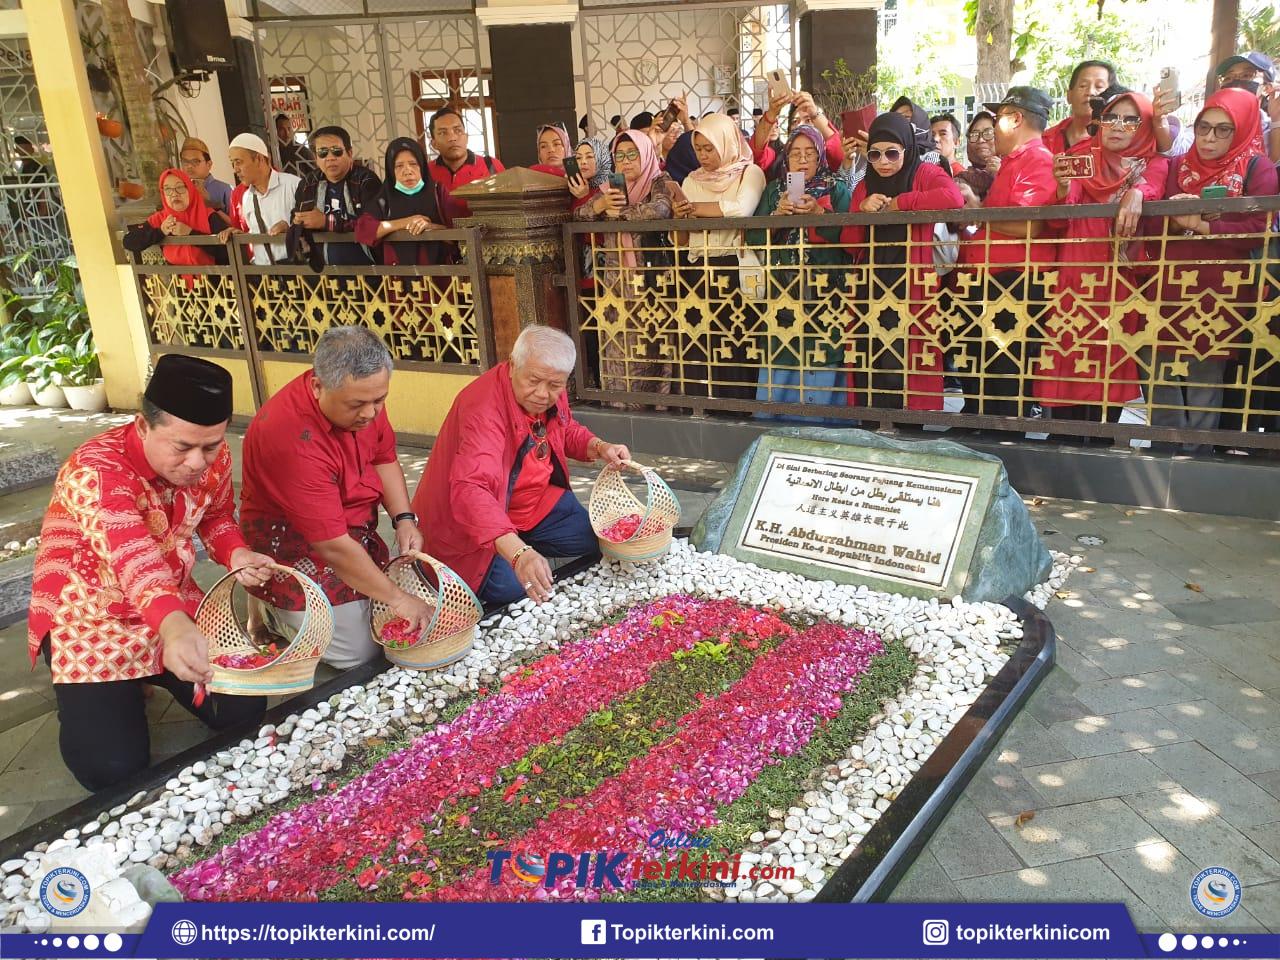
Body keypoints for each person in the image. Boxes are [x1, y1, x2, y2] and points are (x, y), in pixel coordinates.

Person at [27, 355, 274, 790]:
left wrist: (236, 555)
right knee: (112, 770)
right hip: (92, 618)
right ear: (143, 427)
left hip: (174, 605)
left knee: (242, 710)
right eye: (183, 447)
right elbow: (133, 559)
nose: (199, 462)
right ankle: (106, 691)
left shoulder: (211, 459)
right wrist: (177, 630)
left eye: (212, 445)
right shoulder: (97, 470)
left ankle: (145, 676)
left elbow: (216, 516)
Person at [239, 326, 434, 669]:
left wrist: (404, 518)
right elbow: (330, 545)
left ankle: (285, 607)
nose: (371, 414)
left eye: (380, 401)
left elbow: (384, 456)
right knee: (358, 654)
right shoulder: (291, 438)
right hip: (293, 541)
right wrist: (399, 599)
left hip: (349, 530)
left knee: (391, 618)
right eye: (358, 404)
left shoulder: (364, 395)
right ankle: (270, 608)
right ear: (318, 386)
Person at [410, 325, 630, 607]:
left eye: (554, 385)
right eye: (534, 381)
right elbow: (471, 489)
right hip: (472, 523)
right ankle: (517, 546)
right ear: (513, 366)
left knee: (595, 540)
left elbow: (565, 429)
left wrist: (602, 448)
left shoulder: (550, 387)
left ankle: (522, 543)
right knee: (514, 590)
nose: (542, 394)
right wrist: (517, 553)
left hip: (534, 503)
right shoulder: (483, 408)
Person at [1151, 87, 1277, 452]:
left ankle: (1197, 455)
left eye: (1224, 130)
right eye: (1204, 127)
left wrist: (1206, 226)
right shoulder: (1177, 165)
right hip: (1170, 284)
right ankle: (1164, 449)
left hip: (1223, 287)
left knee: (1207, 370)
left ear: (1243, 129)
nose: (1209, 138)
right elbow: (1151, 224)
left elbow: (1261, 229)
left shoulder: (1257, 168)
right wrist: (1175, 220)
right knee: (1163, 367)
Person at [1034, 92, 1168, 423]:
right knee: (1069, 351)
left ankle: (1102, 436)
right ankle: (1062, 436)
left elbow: (1154, 185)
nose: (1118, 126)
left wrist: (1136, 192)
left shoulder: (1153, 163)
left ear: (1145, 125)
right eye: (1111, 117)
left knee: (1109, 354)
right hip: (1074, 274)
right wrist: (1063, 190)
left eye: (1130, 119)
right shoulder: (1080, 156)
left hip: (1119, 279)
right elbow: (1058, 218)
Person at [849, 112, 964, 412]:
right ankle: (873, 424)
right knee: (872, 354)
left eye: (892, 153)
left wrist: (902, 203)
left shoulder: (924, 174)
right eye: (874, 154)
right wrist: (861, 210)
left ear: (907, 150)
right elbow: (849, 241)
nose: (883, 161)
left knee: (906, 357)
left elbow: (953, 198)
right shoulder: (865, 184)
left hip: (912, 284)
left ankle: (906, 427)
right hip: (871, 286)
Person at [959, 87, 1059, 418]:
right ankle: (980, 421)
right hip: (997, 278)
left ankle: (998, 432)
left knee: (1004, 367)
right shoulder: (1016, 161)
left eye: (997, 118)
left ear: (1015, 119)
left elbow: (1030, 225)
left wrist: (978, 213)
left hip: (1014, 279)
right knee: (988, 360)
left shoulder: (1037, 158)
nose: (991, 130)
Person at [746, 124, 856, 418]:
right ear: (787, 158)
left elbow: (850, 237)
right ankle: (775, 425)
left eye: (809, 153)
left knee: (823, 350)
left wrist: (821, 214)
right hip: (782, 290)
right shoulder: (774, 191)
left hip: (826, 290)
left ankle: (822, 429)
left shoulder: (836, 188)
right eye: (795, 153)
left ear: (820, 156)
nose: (803, 159)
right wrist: (776, 217)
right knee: (782, 350)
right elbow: (754, 239)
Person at [574, 129, 685, 402]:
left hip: (650, 280)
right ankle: (620, 402)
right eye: (619, 155)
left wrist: (618, 213)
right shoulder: (609, 189)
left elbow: (659, 210)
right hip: (614, 281)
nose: (625, 161)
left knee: (651, 343)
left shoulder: (659, 180)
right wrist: (599, 204)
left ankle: (655, 404)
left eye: (632, 154)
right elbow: (578, 215)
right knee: (617, 344)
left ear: (645, 154)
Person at [674, 112, 768, 401]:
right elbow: (683, 234)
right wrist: (681, 215)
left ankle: (739, 407)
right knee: (703, 342)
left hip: (733, 269)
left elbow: (741, 209)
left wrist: (696, 209)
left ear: (726, 143)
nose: (703, 156)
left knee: (736, 341)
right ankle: (704, 405)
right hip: (698, 270)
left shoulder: (748, 172)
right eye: (698, 149)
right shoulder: (691, 179)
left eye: (709, 148)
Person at [289, 125, 381, 266]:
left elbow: (373, 225)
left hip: (368, 272)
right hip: (324, 275)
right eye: (323, 153)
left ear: (350, 153)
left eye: (337, 151)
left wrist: (327, 222)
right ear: (315, 158)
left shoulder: (366, 180)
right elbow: (296, 215)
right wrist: (296, 222)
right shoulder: (308, 182)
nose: (330, 158)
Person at [354, 137, 447, 266]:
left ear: (422, 165)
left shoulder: (438, 193)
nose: (407, 171)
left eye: (413, 164)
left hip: (440, 279)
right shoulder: (383, 199)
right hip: (398, 280)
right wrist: (408, 221)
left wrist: (431, 227)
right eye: (399, 166)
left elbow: (459, 235)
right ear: (391, 171)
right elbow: (364, 230)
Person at [123, 168, 233, 269]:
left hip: (216, 283)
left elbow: (228, 252)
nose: (174, 194)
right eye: (167, 189)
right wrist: (161, 231)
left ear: (189, 189)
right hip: (178, 284)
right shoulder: (160, 219)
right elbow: (129, 241)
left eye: (179, 187)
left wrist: (190, 233)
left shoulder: (208, 215)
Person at [227, 132, 302, 265]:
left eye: (238, 162)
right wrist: (241, 235)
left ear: (260, 159)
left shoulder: (293, 185)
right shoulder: (247, 198)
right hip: (265, 275)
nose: (235, 169)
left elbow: (315, 225)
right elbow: (256, 234)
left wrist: (291, 227)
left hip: (298, 271)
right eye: (232, 163)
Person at [426, 107, 504, 225]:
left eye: (457, 131)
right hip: (442, 241)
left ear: (466, 137)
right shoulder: (426, 172)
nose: (452, 138)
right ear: (434, 143)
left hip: (485, 240)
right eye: (443, 133)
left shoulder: (491, 166)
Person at [1215, 52, 1280, 163]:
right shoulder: (1206, 127)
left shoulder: (1272, 131)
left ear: (1266, 88)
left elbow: (1272, 173)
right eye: (1228, 77)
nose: (1235, 82)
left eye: (1246, 75)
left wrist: (1277, 122)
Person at [1043, 60, 1116, 155]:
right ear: (1069, 96)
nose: (1090, 92)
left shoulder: (1115, 142)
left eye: (1099, 86)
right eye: (1083, 86)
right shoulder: (1046, 140)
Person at [955, 111, 998, 204]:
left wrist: (1001, 175)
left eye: (988, 133)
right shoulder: (963, 180)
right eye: (974, 135)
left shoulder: (1013, 171)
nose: (981, 140)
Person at [179, 136, 232, 211]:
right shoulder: (178, 190)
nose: (189, 166)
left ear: (209, 164)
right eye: (185, 162)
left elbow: (235, 222)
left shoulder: (225, 190)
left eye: (195, 161)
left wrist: (208, 203)